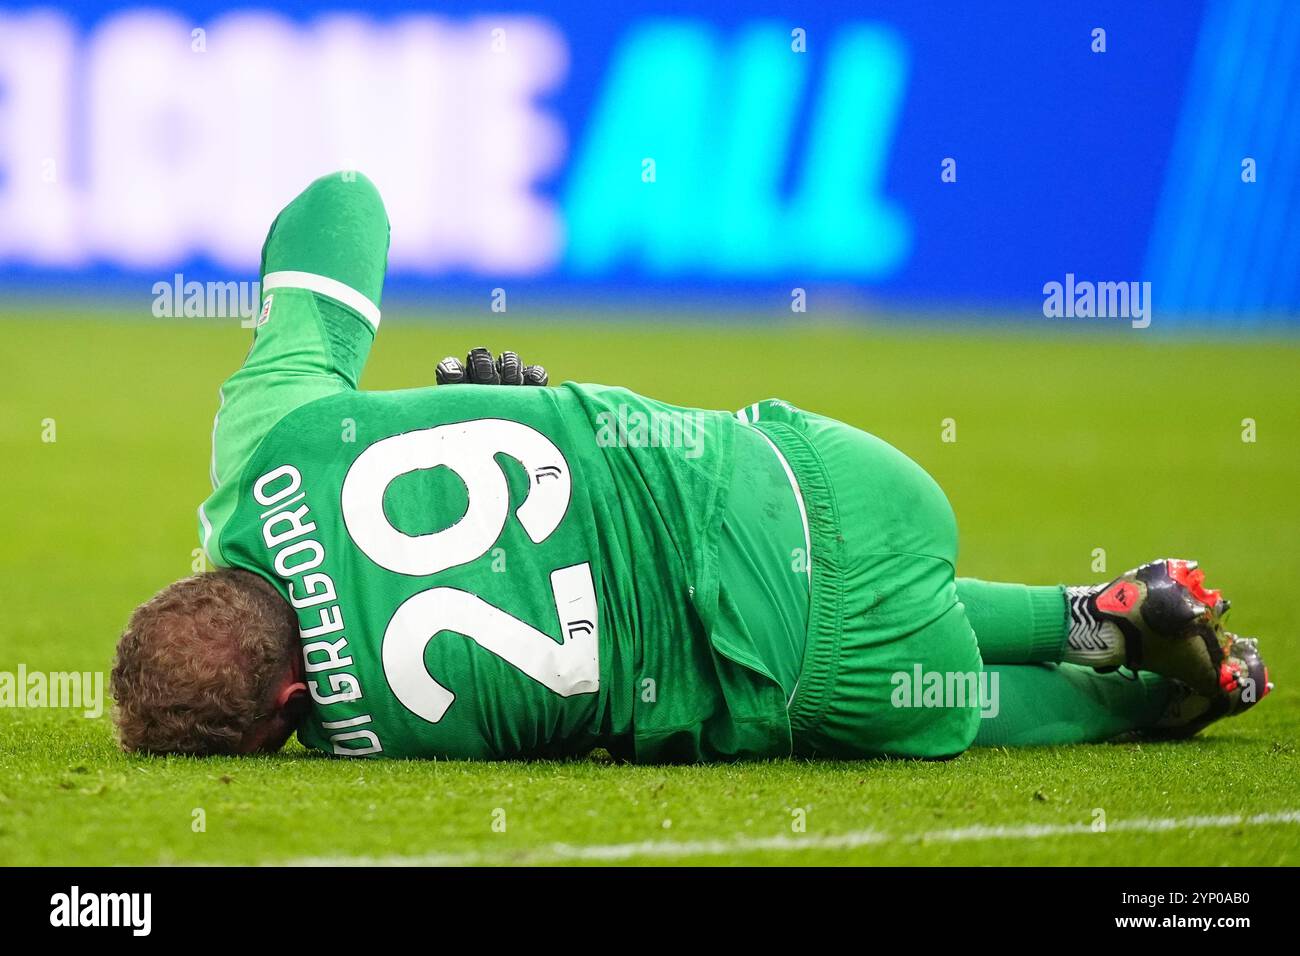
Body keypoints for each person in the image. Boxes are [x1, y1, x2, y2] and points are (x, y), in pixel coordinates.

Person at [110, 172, 1271, 760]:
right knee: (787, 547)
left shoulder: (369, 735)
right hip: (831, 467)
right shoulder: (261, 444)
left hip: (824, 668)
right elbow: (341, 204)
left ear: (281, 709)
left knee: (913, 686)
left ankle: (1146, 696)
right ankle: (1094, 607)